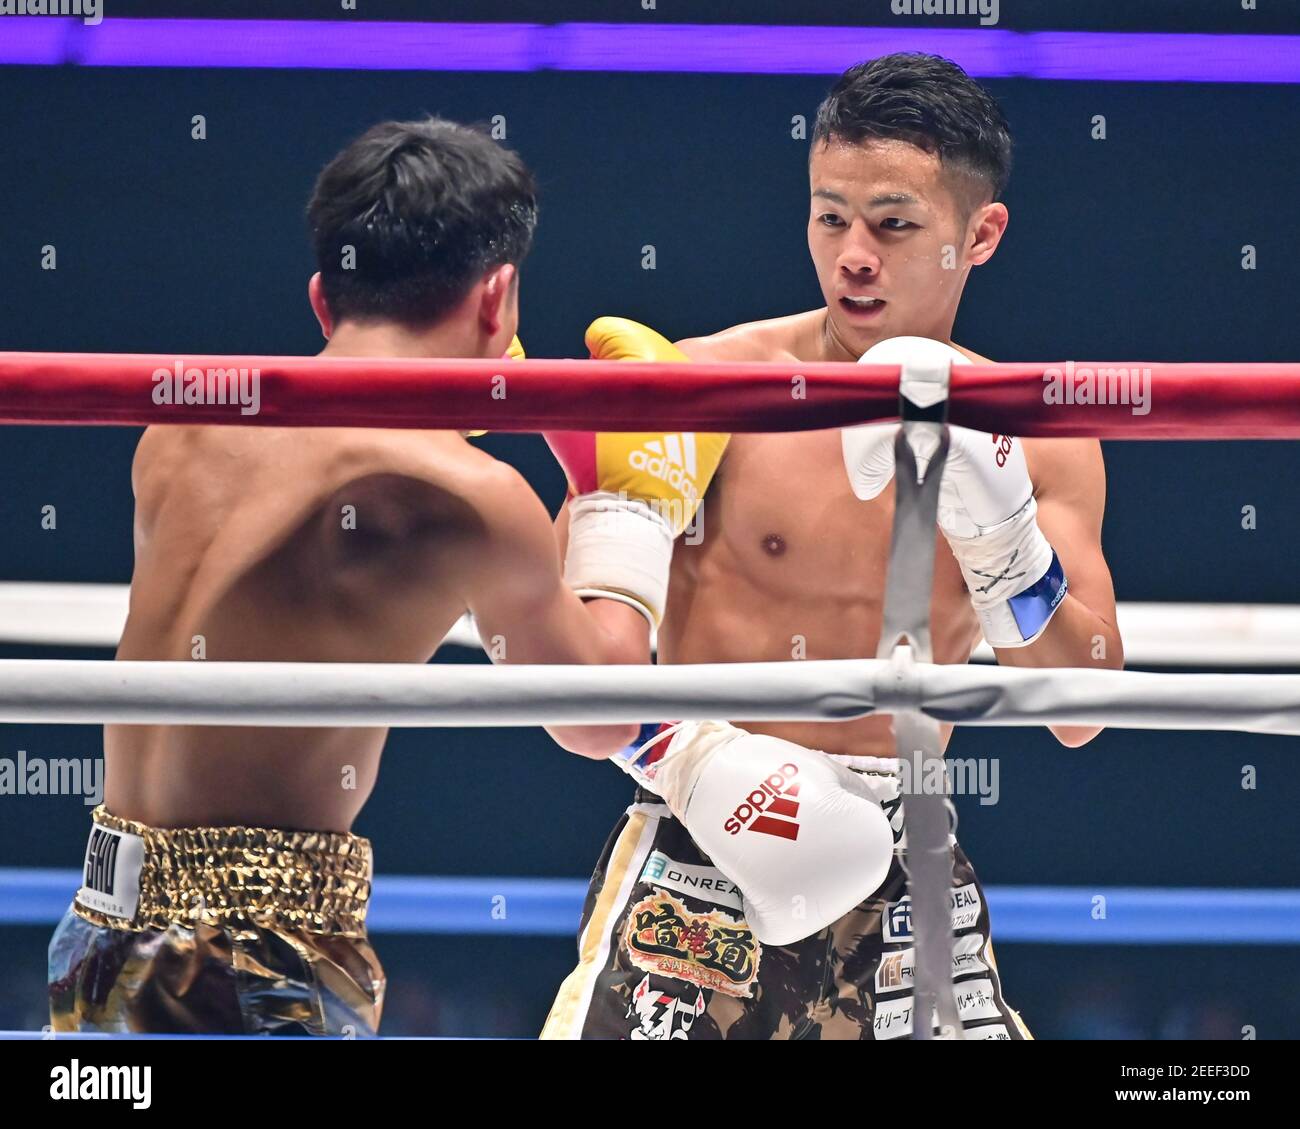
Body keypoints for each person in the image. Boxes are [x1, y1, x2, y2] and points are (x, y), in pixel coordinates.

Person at [47, 117, 722, 1036]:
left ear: (324, 300)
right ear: (500, 297)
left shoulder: (183, 430)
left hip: (98, 924)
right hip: (259, 952)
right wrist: (631, 505)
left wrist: (559, 479)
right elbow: (598, 713)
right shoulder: (465, 495)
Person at [543, 53, 1123, 1040]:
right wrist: (684, 756)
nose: (855, 253)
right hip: (702, 836)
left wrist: (1002, 535)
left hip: (906, 854)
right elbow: (555, 656)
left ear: (979, 234)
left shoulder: (1028, 430)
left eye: (893, 224)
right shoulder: (707, 387)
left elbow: (1084, 704)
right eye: (829, 217)